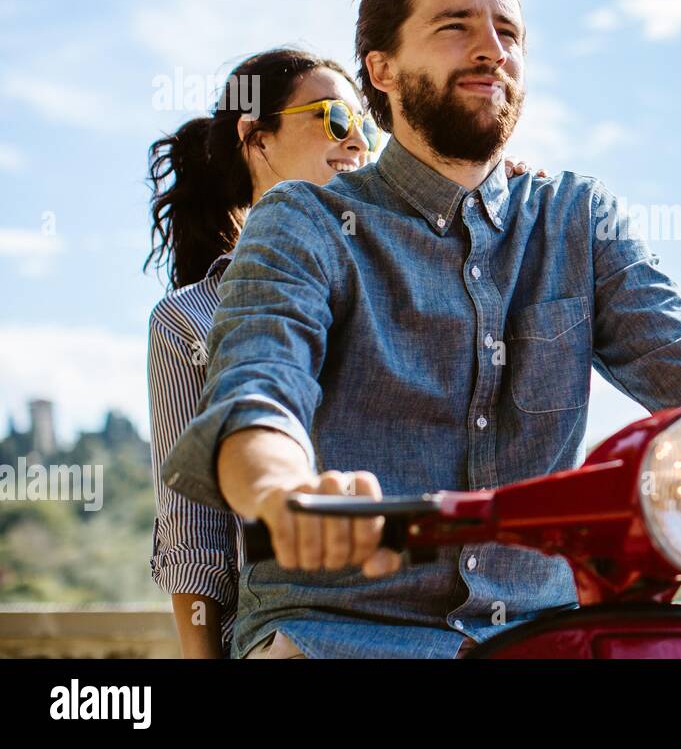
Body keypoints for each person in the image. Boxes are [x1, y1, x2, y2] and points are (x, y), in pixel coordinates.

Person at [163, 0, 681, 660]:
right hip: (338, 635)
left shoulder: (576, 218)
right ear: (382, 70)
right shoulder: (304, 221)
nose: (490, 50)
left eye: (509, 33)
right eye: (454, 27)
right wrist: (288, 493)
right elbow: (259, 384)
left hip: (546, 635)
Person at [144, 46, 540, 657]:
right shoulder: (187, 317)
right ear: (257, 138)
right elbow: (192, 525)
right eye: (333, 117)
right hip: (305, 623)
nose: (356, 140)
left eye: (365, 125)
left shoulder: (406, 268)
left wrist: (488, 200)